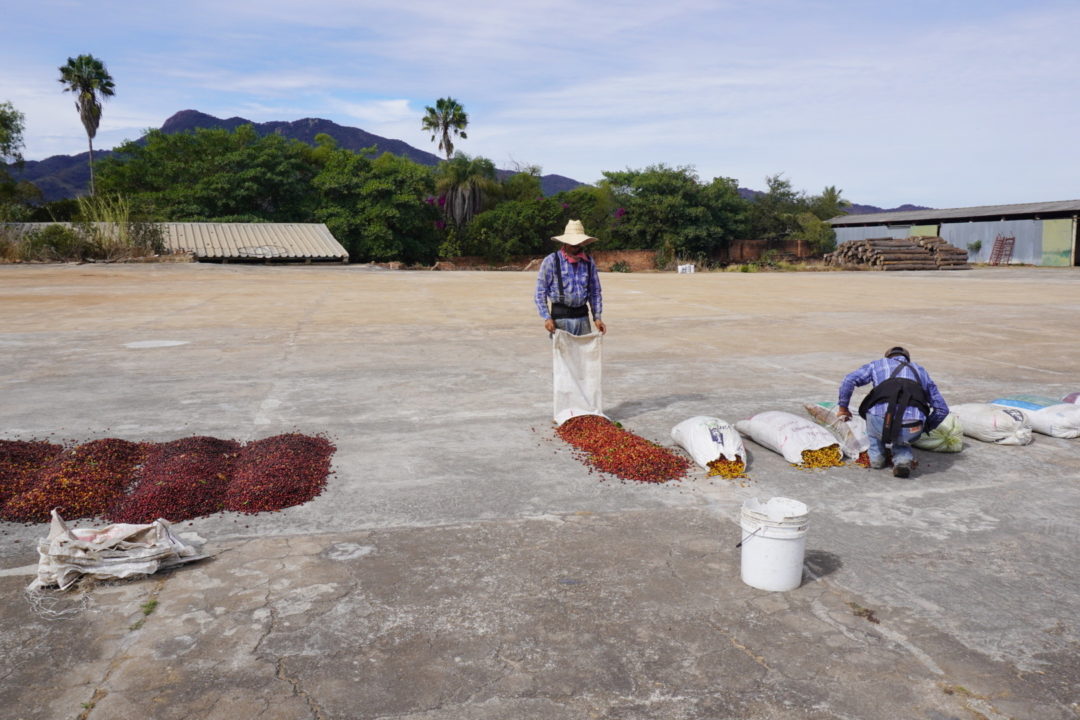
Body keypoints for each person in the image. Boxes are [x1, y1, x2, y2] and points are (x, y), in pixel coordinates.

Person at [837, 346, 948, 478]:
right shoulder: (921, 371)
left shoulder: (877, 364)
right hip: (912, 426)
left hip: (880, 422)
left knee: (875, 427)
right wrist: (924, 428)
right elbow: (942, 409)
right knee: (903, 439)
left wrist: (843, 408)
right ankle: (902, 461)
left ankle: (877, 459)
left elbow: (848, 380)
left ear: (888, 356)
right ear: (907, 359)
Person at [535, 219, 607, 336]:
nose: (575, 246)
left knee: (584, 354)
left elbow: (595, 292)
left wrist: (597, 317)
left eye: (578, 243)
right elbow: (540, 292)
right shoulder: (551, 261)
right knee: (563, 354)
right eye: (572, 243)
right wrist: (547, 317)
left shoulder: (588, 262)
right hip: (560, 321)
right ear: (565, 242)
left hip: (583, 320)